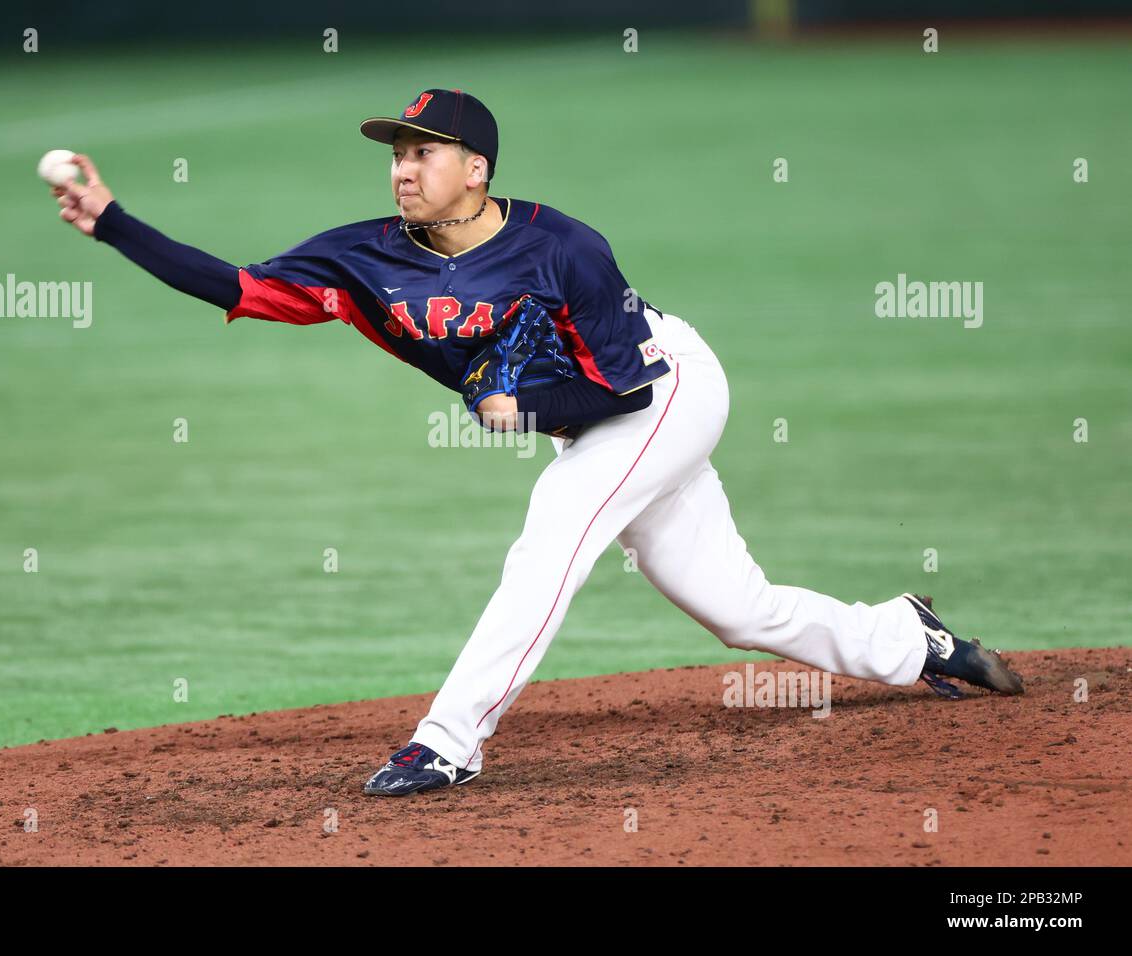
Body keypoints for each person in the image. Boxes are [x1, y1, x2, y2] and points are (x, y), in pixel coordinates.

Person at [51, 88, 1024, 798]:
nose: (402, 167)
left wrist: (521, 403)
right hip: (602, 416)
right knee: (738, 609)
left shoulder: (564, 247)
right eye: (396, 152)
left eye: (424, 151)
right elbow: (236, 286)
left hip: (666, 387)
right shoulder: (362, 256)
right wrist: (112, 224)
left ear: (476, 169)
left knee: (554, 529)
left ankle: (448, 741)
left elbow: (622, 386)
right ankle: (912, 637)